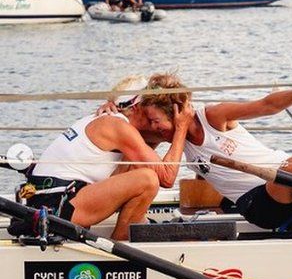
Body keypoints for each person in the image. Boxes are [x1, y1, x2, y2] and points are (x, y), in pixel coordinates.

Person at [106, 74, 292, 234]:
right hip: (259, 203)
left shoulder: (214, 116)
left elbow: (266, 105)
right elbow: (131, 146)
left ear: (176, 113)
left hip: (288, 175)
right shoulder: (170, 138)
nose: (154, 129)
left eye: (157, 122)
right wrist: (110, 110)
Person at [22, 75, 193, 240]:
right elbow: (167, 178)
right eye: (153, 121)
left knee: (140, 166)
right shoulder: (117, 126)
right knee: (148, 179)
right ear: (137, 106)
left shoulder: (113, 119)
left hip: (48, 200)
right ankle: (122, 241)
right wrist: (181, 129)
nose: (155, 126)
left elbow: (147, 152)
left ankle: (138, 224)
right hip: (54, 206)